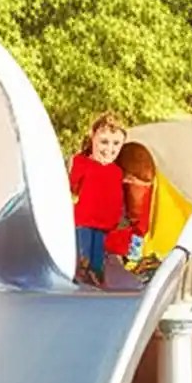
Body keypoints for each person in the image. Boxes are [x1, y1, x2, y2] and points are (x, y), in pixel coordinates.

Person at [69, 112, 127, 286]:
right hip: (83, 223)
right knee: (82, 260)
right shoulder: (81, 162)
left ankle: (94, 288)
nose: (109, 149)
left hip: (104, 227)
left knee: (97, 264)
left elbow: (117, 201)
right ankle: (80, 284)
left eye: (116, 143)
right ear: (93, 138)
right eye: (104, 142)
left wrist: (119, 224)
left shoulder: (117, 172)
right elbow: (71, 189)